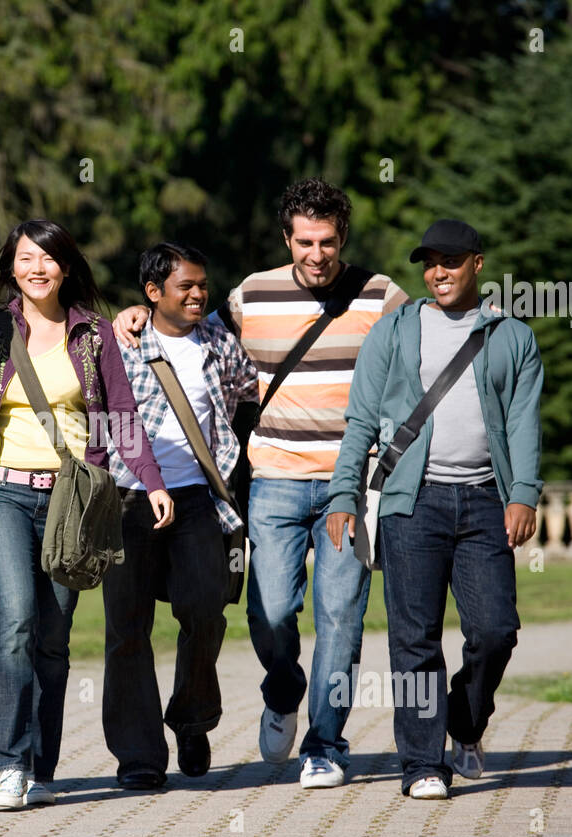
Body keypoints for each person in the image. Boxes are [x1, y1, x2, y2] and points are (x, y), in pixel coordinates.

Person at [114, 179, 408, 788]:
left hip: (348, 483)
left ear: (343, 238)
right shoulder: (251, 296)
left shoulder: (383, 297)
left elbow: (422, 366)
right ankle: (283, 691)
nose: (317, 254)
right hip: (272, 478)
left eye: (328, 241)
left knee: (340, 616)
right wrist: (135, 312)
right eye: (305, 241)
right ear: (287, 239)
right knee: (270, 614)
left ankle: (325, 743)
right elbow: (185, 331)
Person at [0, 219, 174, 810]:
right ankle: (9, 764)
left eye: (48, 258)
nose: (37, 269)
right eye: (26, 259)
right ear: (12, 267)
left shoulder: (94, 335)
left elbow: (121, 416)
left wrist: (151, 481)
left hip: (72, 501)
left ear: (66, 267)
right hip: (1, 493)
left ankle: (40, 768)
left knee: (53, 636)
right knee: (16, 619)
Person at [326, 219, 543, 799]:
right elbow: (361, 421)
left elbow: (524, 422)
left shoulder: (512, 337)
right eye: (429, 262)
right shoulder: (394, 330)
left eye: (450, 260)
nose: (437, 272)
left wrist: (523, 493)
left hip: (483, 504)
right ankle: (423, 764)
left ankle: (465, 721)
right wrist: (344, 493)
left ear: (477, 262)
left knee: (496, 630)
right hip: (410, 503)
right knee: (415, 639)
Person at [101, 241, 258, 789]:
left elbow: (245, 394)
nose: (197, 295)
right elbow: (111, 419)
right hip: (128, 499)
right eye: (184, 286)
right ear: (152, 292)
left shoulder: (219, 341)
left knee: (205, 610)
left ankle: (191, 719)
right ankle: (139, 757)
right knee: (127, 630)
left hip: (196, 498)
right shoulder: (122, 343)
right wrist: (146, 477)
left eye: (202, 286)